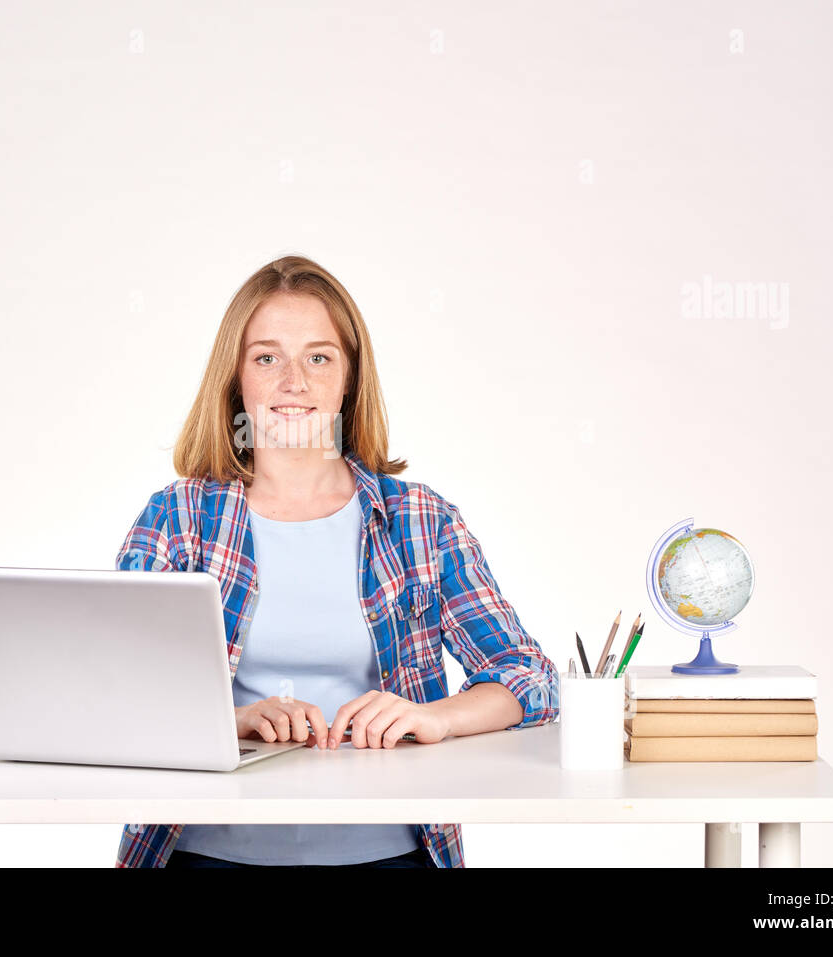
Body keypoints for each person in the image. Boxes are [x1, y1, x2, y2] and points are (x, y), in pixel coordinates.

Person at [114, 255, 559, 868]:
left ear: (349, 378)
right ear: (236, 378)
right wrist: (232, 719)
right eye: (266, 357)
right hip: (202, 853)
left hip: (389, 854)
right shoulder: (178, 518)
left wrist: (435, 717)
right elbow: (119, 696)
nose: (292, 381)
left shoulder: (419, 521)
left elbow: (529, 678)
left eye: (318, 357)